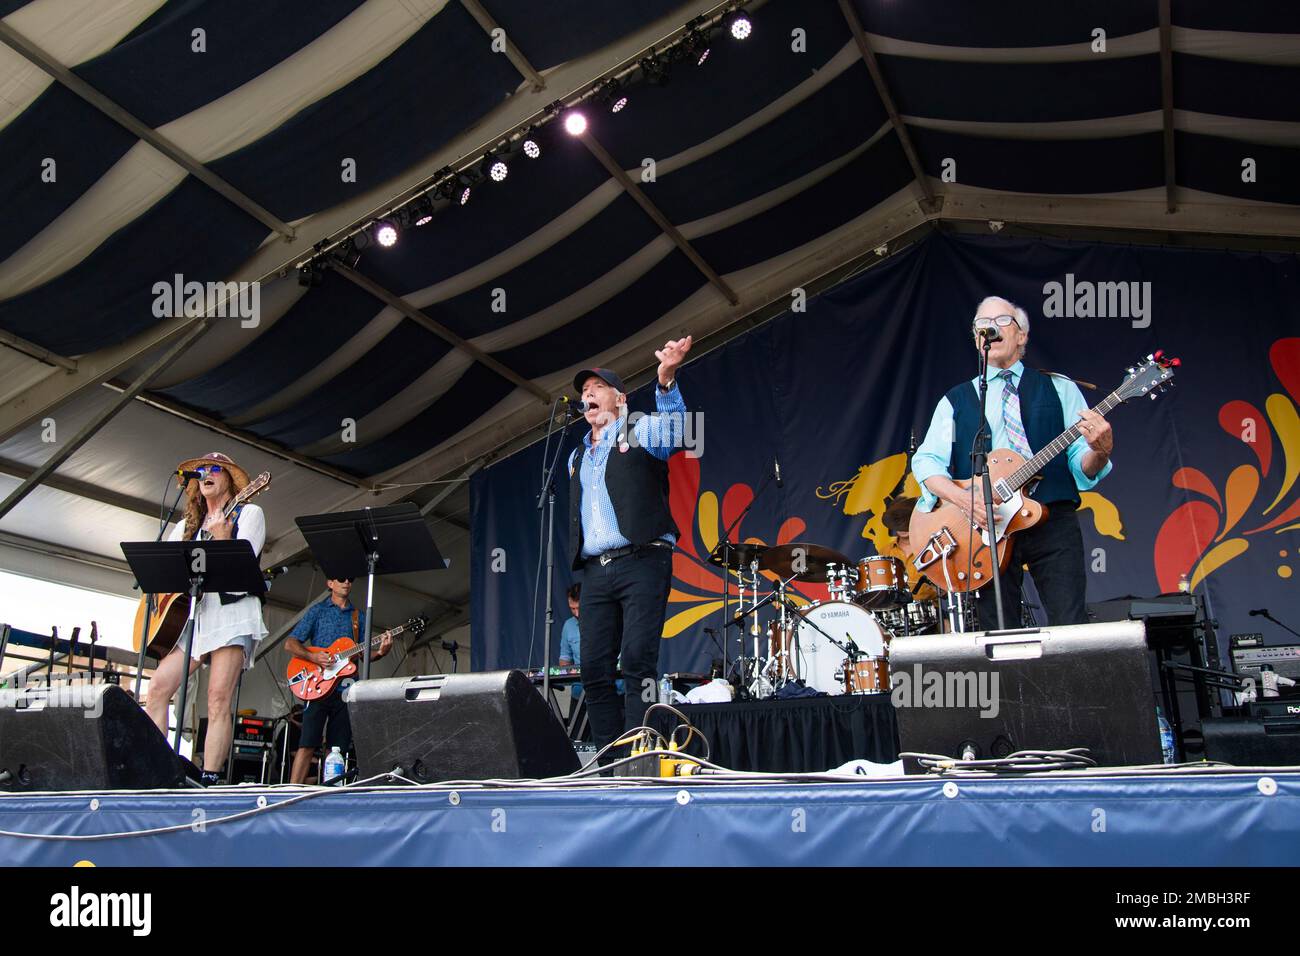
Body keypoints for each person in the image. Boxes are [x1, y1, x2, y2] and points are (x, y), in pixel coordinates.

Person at [911, 297, 1113, 628]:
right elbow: (927, 462)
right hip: (984, 528)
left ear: (1022, 336)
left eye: (1001, 321)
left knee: (1070, 624)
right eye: (981, 325)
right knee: (998, 630)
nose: (990, 328)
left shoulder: (1059, 387)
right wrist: (964, 498)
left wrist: (1100, 451)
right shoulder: (955, 400)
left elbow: (1080, 464)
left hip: (1051, 518)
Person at [567, 336, 692, 758]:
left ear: (619, 398)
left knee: (638, 659)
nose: (587, 395)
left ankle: (642, 756)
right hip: (596, 571)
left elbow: (680, 430)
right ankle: (607, 760)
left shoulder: (641, 429)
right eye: (583, 392)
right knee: (594, 669)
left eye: (596, 389)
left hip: (643, 558)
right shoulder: (574, 458)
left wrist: (666, 379)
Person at [144, 452, 268, 786]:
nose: (206, 473)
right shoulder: (187, 527)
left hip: (231, 613)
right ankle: (160, 769)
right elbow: (163, 567)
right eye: (201, 470)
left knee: (217, 698)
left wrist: (225, 538)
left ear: (228, 478)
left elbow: (244, 566)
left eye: (214, 468)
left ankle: (210, 778)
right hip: (194, 617)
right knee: (156, 689)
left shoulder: (249, 511)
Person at [284, 577, 392, 784]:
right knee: (307, 742)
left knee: (339, 747)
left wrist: (381, 652)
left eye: (350, 579)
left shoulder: (358, 616)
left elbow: (363, 654)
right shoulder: (317, 611)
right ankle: (291, 790)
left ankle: (331, 792)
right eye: (341, 579)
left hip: (345, 687)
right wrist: (312, 657)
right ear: (330, 583)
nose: (346, 582)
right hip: (317, 684)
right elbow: (290, 644)